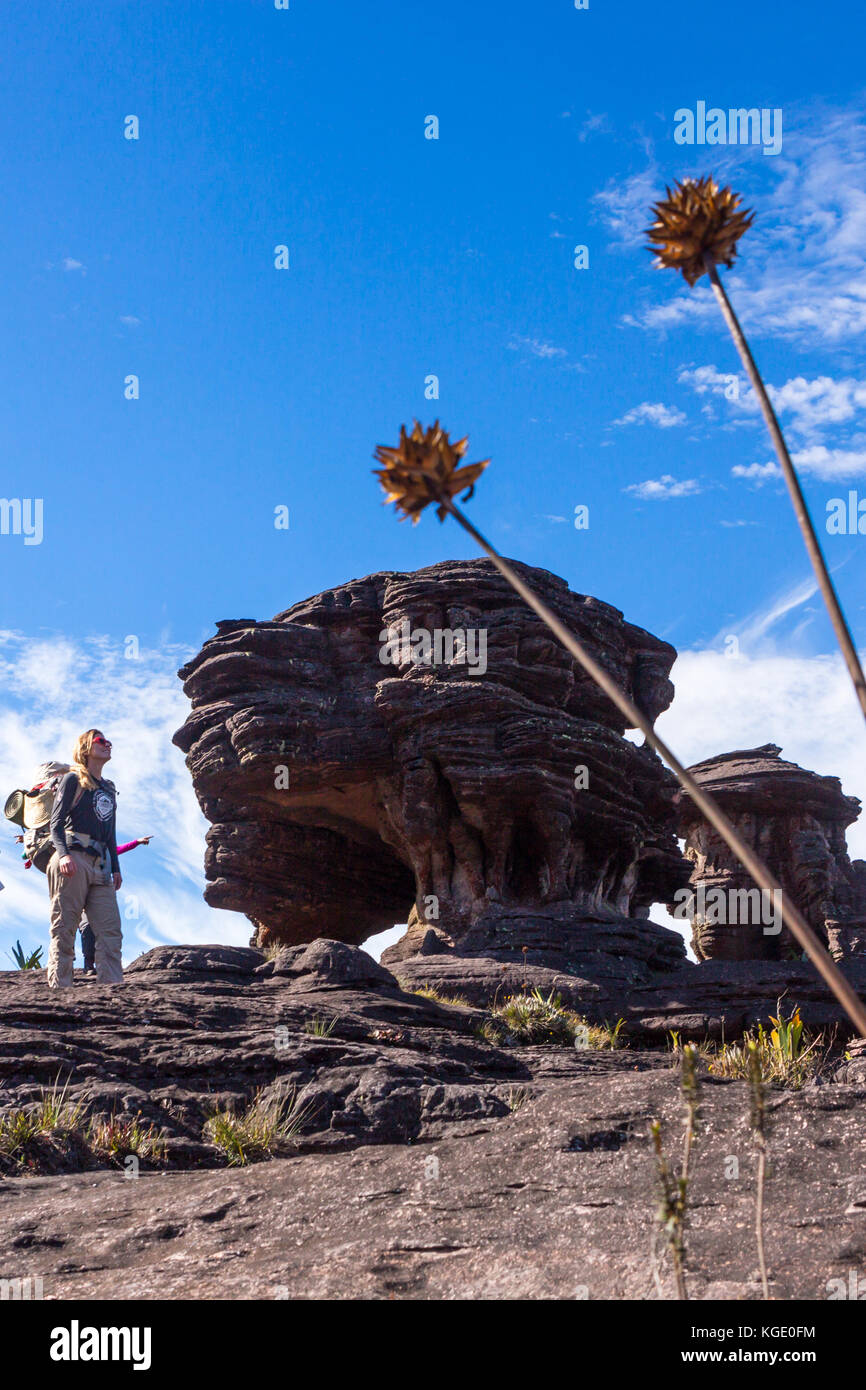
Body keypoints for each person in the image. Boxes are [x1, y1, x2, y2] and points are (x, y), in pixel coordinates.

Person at [46, 729, 124, 988]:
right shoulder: (72, 780)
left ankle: (112, 992)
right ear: (86, 747)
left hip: (101, 864)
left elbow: (110, 833)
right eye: (101, 741)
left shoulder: (109, 789)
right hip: (73, 858)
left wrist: (116, 867)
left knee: (110, 931)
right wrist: (63, 854)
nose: (107, 744)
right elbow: (55, 824)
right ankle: (60, 991)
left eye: (108, 741)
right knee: (65, 927)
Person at [79, 836, 151, 972]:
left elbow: (119, 849)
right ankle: (87, 964)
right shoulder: (77, 852)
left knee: (101, 930)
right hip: (79, 895)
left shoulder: (102, 852)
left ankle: (98, 964)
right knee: (86, 928)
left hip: (99, 896)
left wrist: (137, 842)